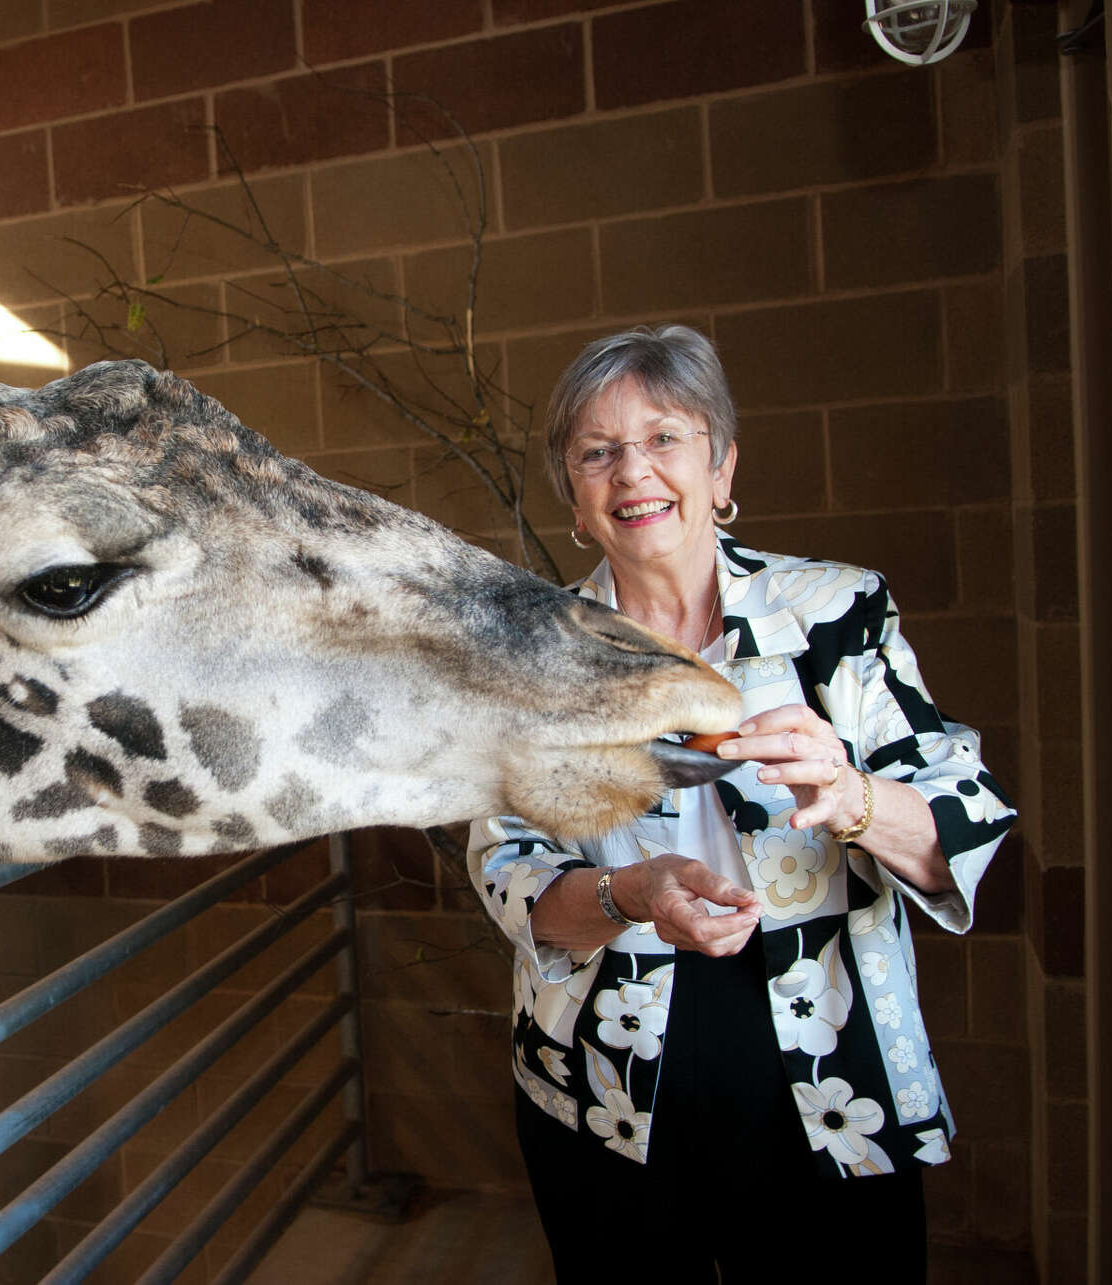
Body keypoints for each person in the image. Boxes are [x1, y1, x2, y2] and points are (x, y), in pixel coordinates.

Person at [467, 325, 1015, 1283]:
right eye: (598, 451)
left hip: (829, 1073)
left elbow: (959, 822)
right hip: (604, 1083)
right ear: (576, 500)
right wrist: (631, 893)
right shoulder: (532, 657)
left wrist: (851, 795)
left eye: (665, 438)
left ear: (722, 468)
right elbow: (508, 869)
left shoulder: (836, 615)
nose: (633, 470)